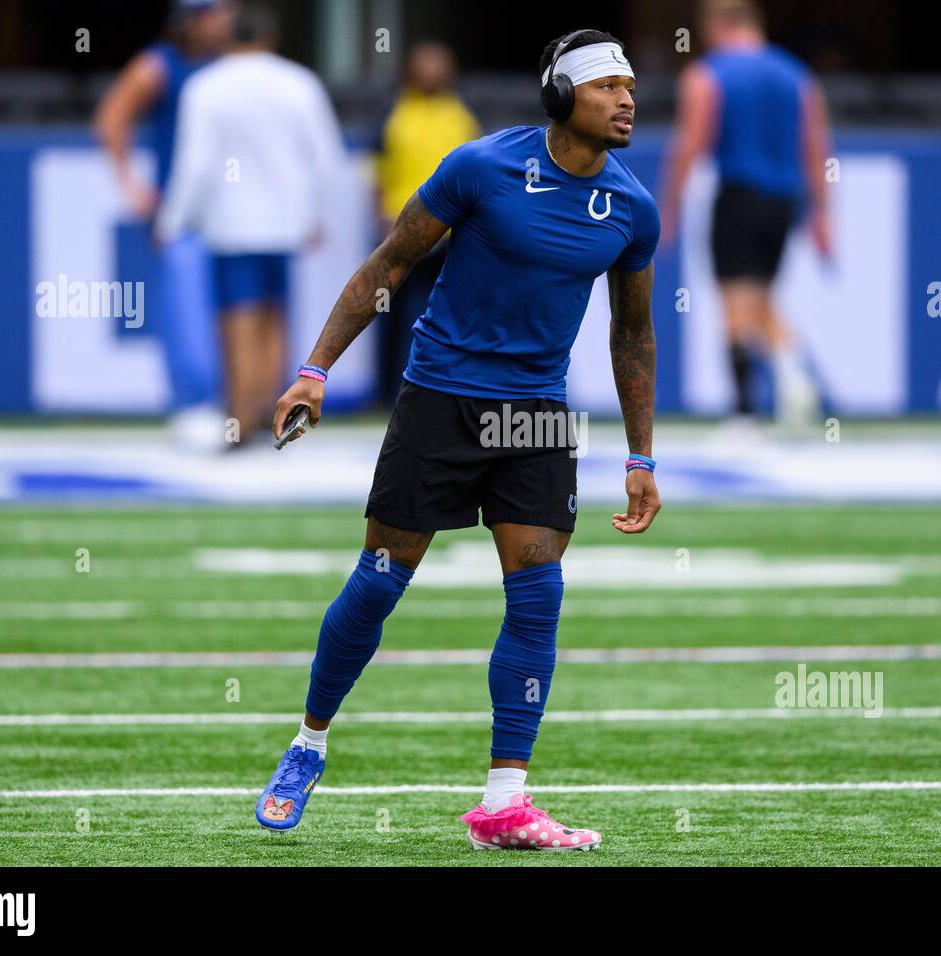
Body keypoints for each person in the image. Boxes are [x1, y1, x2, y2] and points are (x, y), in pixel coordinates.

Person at [256, 29, 661, 851]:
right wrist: (315, 371)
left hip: (537, 415)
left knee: (539, 596)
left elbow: (633, 337)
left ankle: (505, 803)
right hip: (440, 400)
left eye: (629, 86)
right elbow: (387, 266)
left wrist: (641, 456)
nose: (625, 100)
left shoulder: (632, 208)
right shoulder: (481, 166)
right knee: (377, 586)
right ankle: (308, 744)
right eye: (605, 87)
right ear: (560, 97)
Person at [155, 2, 344, 444]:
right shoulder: (299, 83)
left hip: (230, 222)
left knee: (237, 318)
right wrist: (315, 213)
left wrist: (171, 220)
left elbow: (194, 163)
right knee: (273, 316)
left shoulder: (206, 86)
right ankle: (266, 415)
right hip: (284, 223)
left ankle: (239, 418)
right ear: (270, 38)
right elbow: (326, 158)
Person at [660, 0, 832, 429]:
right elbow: (815, 145)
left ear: (717, 25)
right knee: (758, 296)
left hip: (738, 193)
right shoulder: (797, 74)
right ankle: (794, 375)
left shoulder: (707, 74)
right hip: (783, 201)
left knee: (735, 302)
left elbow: (691, 142)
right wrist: (822, 211)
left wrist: (670, 205)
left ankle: (744, 413)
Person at [93, 0, 232, 445]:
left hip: (233, 209)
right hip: (184, 213)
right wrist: (130, 184)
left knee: (241, 308)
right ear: (190, 21)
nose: (225, 21)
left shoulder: (231, 65)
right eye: (215, 13)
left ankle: (240, 404)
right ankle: (193, 405)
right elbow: (112, 117)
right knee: (186, 308)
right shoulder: (160, 65)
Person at [370, 41, 481, 407]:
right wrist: (380, 215)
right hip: (401, 230)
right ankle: (387, 393)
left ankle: (447, 390)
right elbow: (379, 170)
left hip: (449, 234)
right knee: (390, 313)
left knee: (448, 315)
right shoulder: (394, 111)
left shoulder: (462, 115)